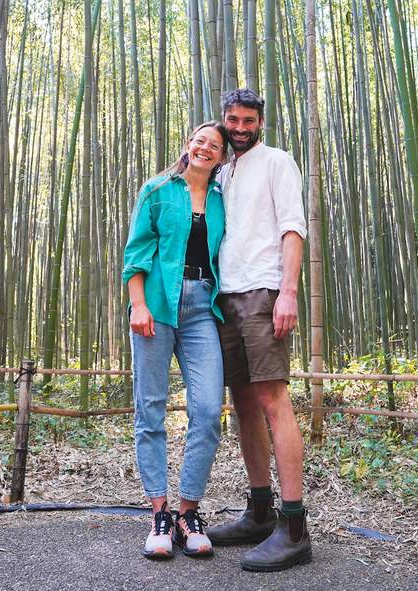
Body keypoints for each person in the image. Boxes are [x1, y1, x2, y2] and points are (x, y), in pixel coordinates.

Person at [207, 88, 313, 572]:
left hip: (263, 292)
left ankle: (294, 529)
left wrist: (287, 291)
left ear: (261, 123)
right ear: (224, 120)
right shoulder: (221, 171)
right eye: (234, 119)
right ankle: (259, 511)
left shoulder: (277, 161)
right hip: (225, 296)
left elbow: (293, 226)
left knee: (274, 400)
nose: (241, 127)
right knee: (243, 405)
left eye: (249, 119)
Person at [121, 121, 232, 560]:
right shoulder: (157, 190)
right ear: (188, 145)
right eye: (200, 141)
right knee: (150, 408)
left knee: (207, 410)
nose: (206, 148)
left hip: (204, 305)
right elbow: (136, 253)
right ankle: (159, 513)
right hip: (156, 304)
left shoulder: (224, 199)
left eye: (215, 145)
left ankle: (188, 512)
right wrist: (138, 306)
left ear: (222, 157)